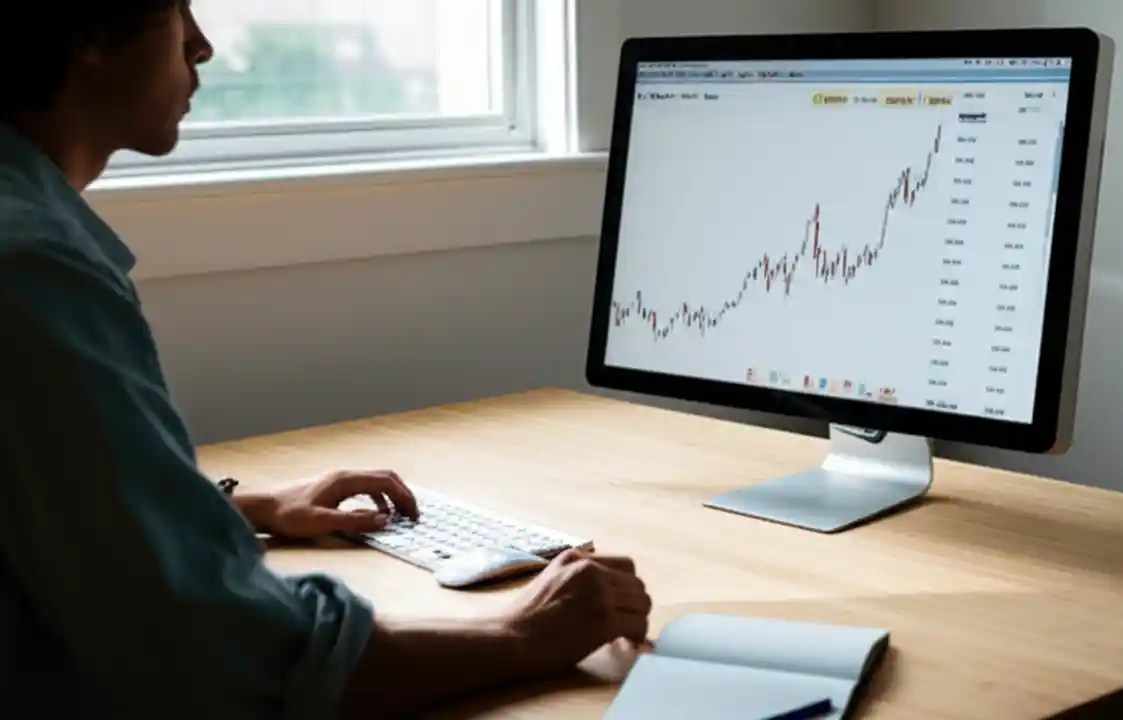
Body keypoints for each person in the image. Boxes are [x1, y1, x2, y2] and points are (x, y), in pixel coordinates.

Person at [0, 2, 652, 718]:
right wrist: (521, 633)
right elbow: (227, 653)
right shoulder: (31, 272)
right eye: (175, 10)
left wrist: (231, 508)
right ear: (90, 31)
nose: (202, 44)